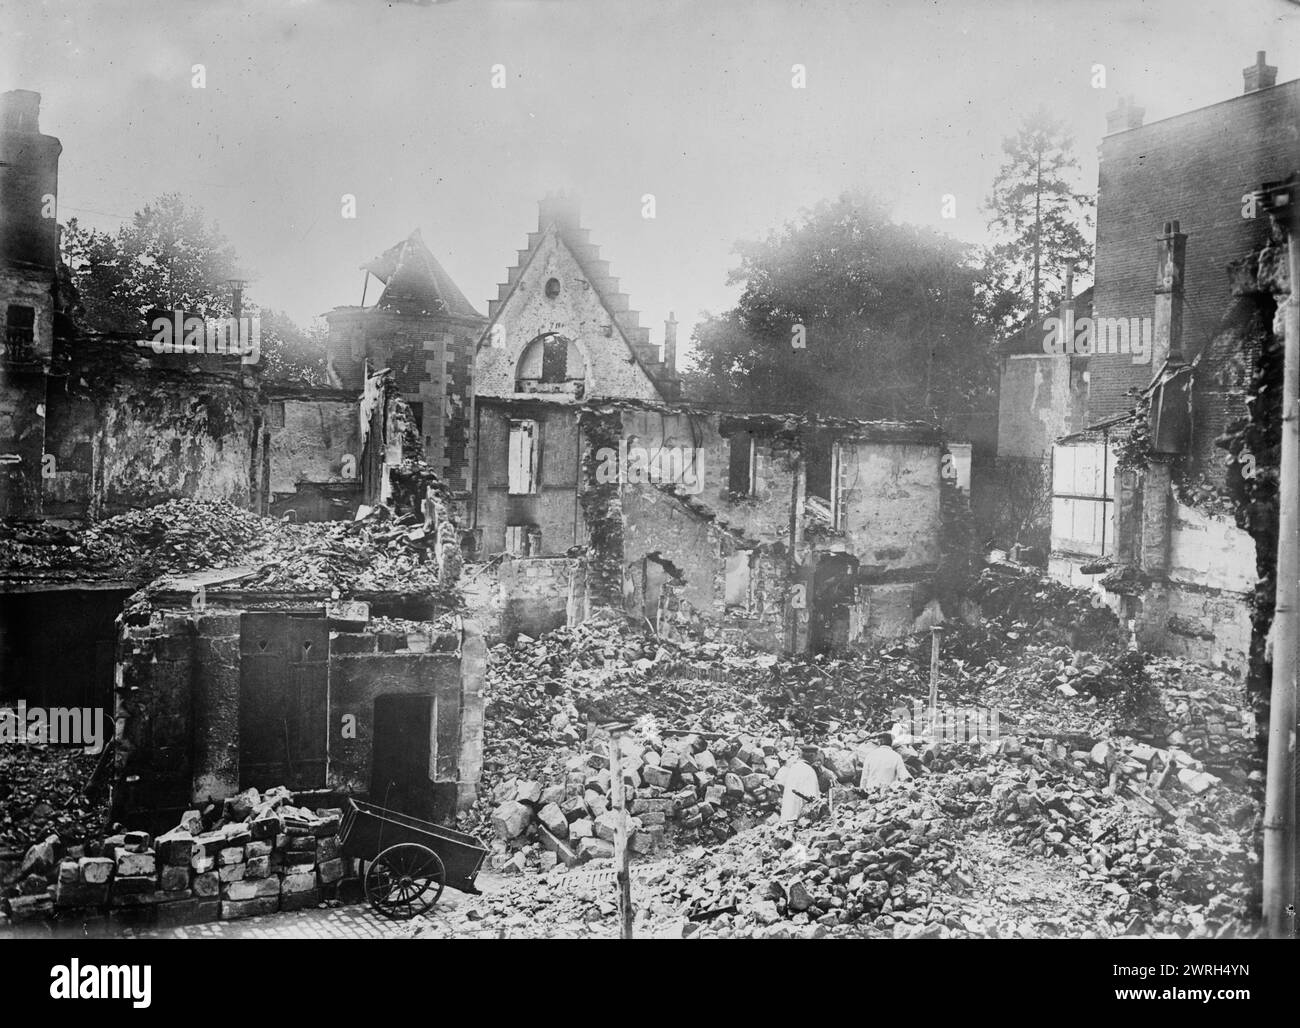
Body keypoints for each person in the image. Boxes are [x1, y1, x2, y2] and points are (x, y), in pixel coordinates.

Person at [775, 743, 822, 822]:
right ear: (812, 755)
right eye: (816, 755)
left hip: (788, 814)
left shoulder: (794, 767)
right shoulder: (809, 770)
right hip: (801, 818)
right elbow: (812, 796)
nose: (817, 758)